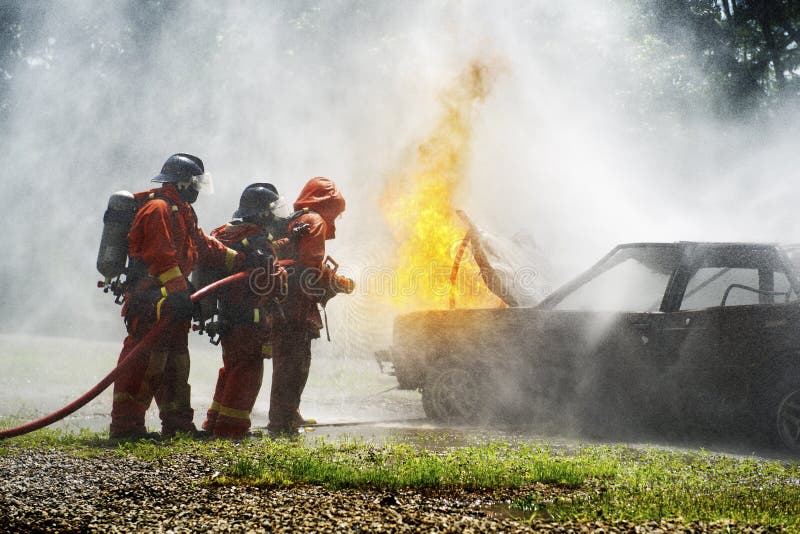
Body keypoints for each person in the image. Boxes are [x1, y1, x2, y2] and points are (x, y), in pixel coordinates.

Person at [109, 153, 253, 440]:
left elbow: (203, 245)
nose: (198, 189)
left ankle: (177, 425)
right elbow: (159, 256)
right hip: (150, 301)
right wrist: (178, 292)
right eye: (196, 182)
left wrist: (242, 261)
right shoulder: (158, 208)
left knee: (176, 364)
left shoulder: (181, 209)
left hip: (170, 303)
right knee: (144, 363)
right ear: (184, 181)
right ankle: (126, 427)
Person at [267, 177, 355, 436]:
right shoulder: (314, 222)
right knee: (295, 363)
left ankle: (288, 413)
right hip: (296, 307)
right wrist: (338, 283)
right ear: (326, 204)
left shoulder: (296, 220)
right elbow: (311, 270)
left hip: (284, 303)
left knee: (287, 362)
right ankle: (282, 422)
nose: (335, 219)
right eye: (335, 212)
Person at [201, 183, 288, 438]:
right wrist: (281, 275)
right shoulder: (258, 240)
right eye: (271, 210)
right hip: (250, 319)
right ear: (262, 213)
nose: (274, 216)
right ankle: (232, 428)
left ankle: (214, 422)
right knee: (247, 372)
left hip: (227, 316)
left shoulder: (226, 232)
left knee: (231, 368)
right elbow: (268, 280)